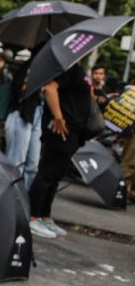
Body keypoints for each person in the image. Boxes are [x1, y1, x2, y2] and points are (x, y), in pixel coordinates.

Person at [28, 59, 93, 238]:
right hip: (61, 130)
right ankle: (32, 216)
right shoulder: (67, 68)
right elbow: (49, 89)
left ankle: (44, 216)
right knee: (47, 173)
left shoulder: (78, 69)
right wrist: (58, 117)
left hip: (73, 132)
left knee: (56, 176)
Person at [4, 48, 42, 188]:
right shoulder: (27, 69)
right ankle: (12, 192)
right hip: (22, 113)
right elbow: (20, 91)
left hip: (38, 112)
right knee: (16, 160)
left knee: (33, 164)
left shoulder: (48, 72)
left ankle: (25, 193)